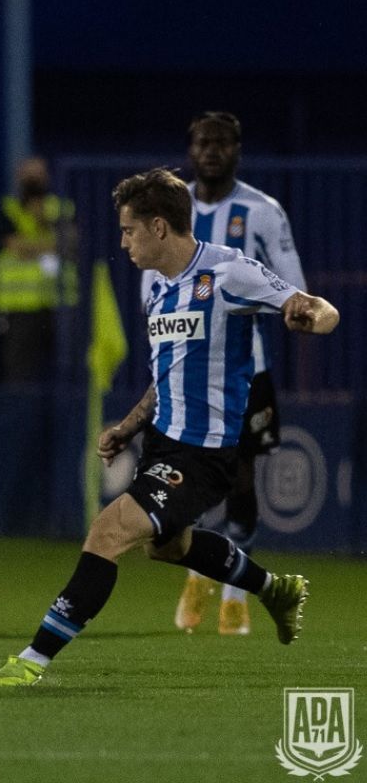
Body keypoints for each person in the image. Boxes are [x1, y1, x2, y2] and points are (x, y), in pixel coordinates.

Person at [0, 168, 338, 687]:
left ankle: (32, 661)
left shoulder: (229, 272)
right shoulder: (159, 288)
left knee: (107, 532)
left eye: (129, 231)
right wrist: (128, 426)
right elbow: (166, 372)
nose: (123, 242)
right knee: (167, 547)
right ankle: (276, 590)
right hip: (162, 442)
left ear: (159, 228)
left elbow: (317, 308)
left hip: (204, 453)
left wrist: (312, 316)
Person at [163, 112, 308, 636]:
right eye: (203, 142)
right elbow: (151, 281)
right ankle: (198, 575)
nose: (212, 151)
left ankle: (234, 594)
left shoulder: (262, 212)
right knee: (185, 479)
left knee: (242, 479)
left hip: (246, 372)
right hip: (184, 371)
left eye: (222, 143)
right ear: (190, 149)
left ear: (237, 150)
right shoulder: (170, 208)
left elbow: (294, 288)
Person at [0, 156, 78, 383]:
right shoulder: (8, 210)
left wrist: (36, 240)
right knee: (20, 372)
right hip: (20, 307)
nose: (34, 180)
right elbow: (14, 246)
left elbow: (70, 243)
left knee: (68, 369)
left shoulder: (61, 208)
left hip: (60, 303)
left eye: (38, 174)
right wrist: (50, 244)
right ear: (19, 177)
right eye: (29, 175)